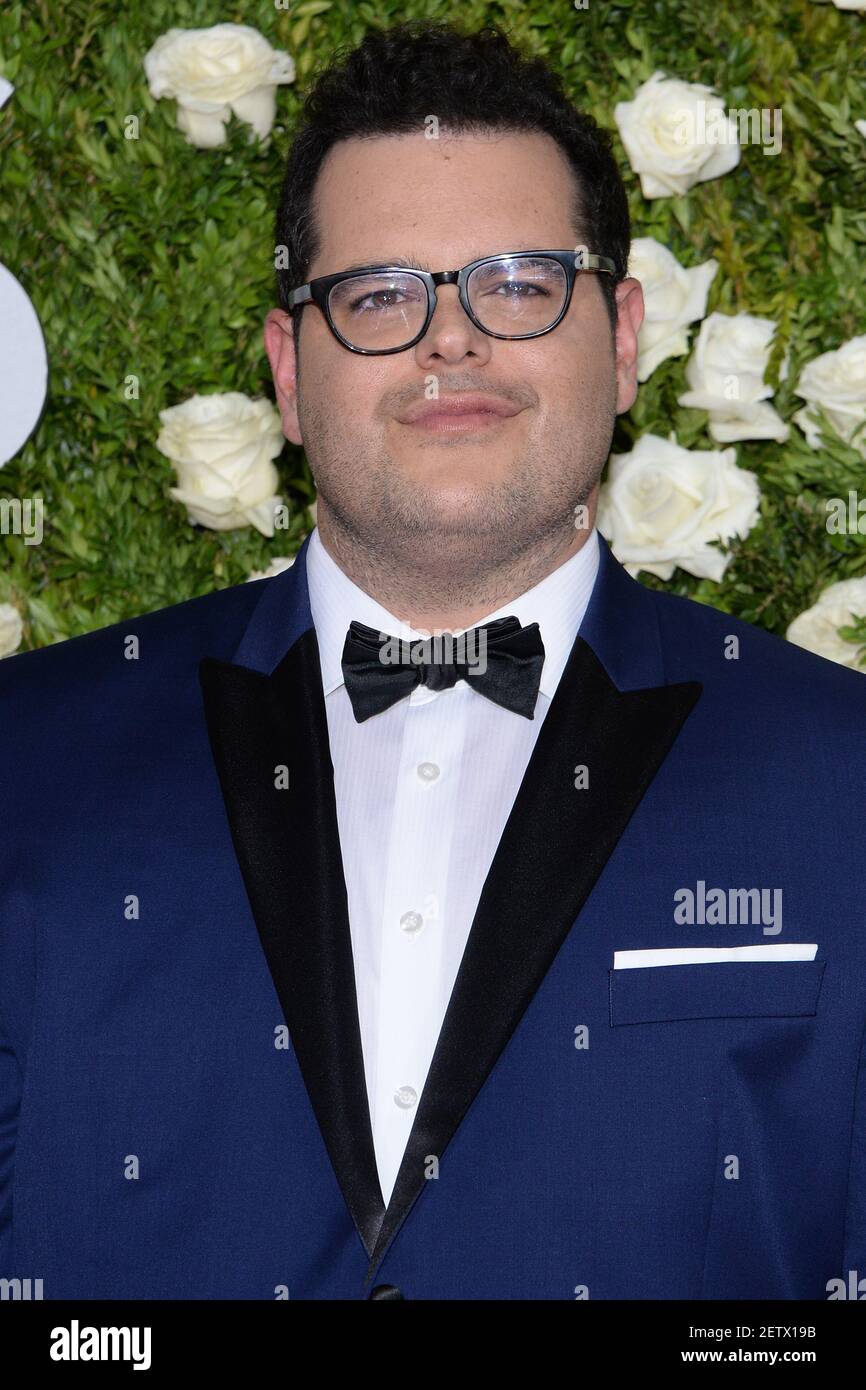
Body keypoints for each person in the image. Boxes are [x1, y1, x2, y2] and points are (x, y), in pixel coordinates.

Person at [1, 20, 864, 1303]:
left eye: (517, 283)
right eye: (379, 295)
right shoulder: (26, 756)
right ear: (289, 373)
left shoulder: (841, 777)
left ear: (621, 340)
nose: (448, 340)